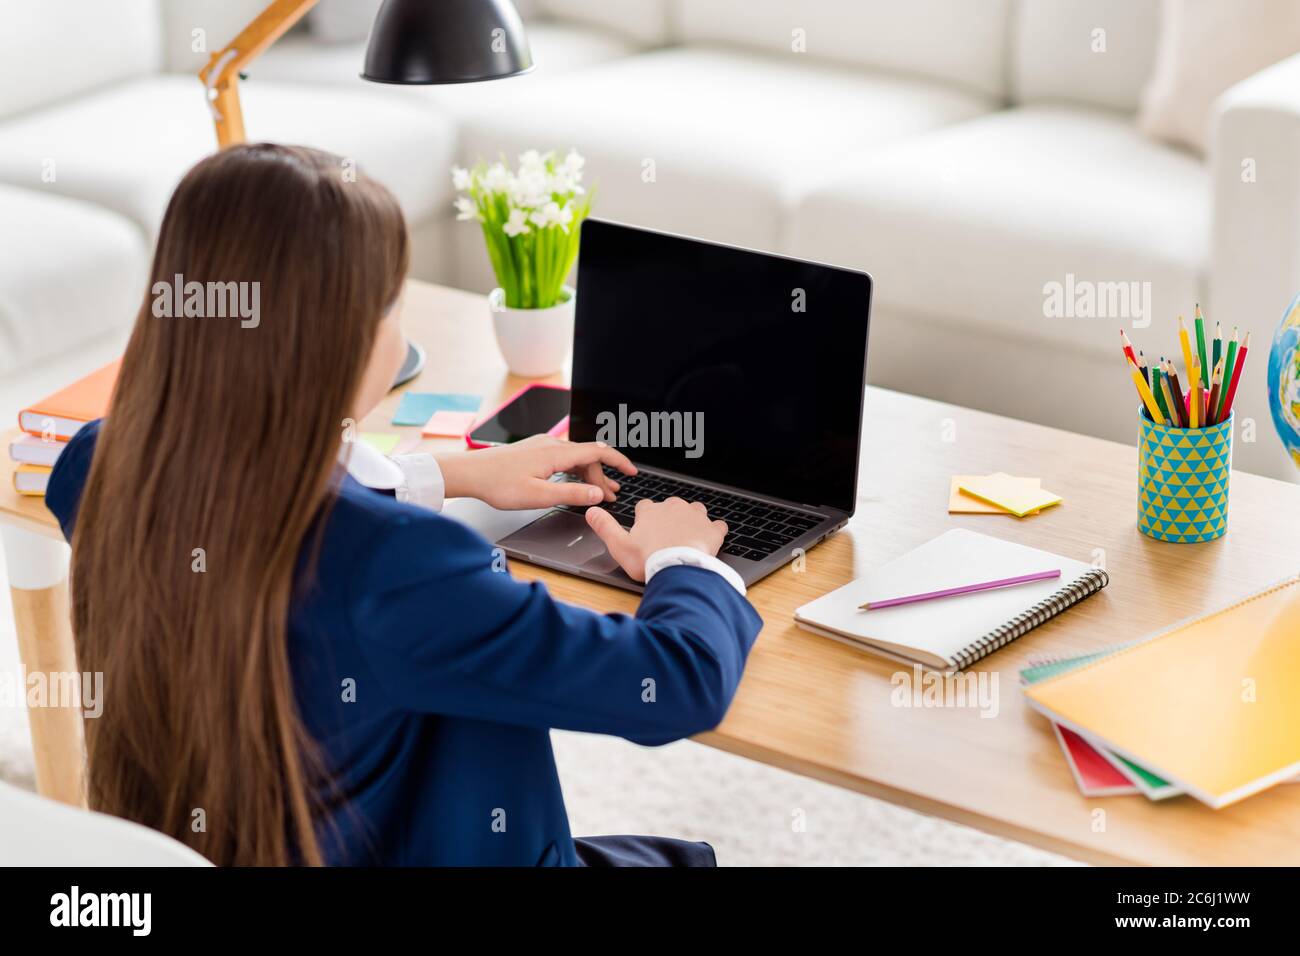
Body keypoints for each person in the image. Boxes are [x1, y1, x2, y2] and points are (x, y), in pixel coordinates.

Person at [45, 143, 762, 866]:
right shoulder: (396, 567)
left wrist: (444, 477)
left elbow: (275, 506)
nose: (404, 339)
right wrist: (684, 559)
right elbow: (677, 683)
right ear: (339, 339)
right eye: (393, 307)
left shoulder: (99, 465)